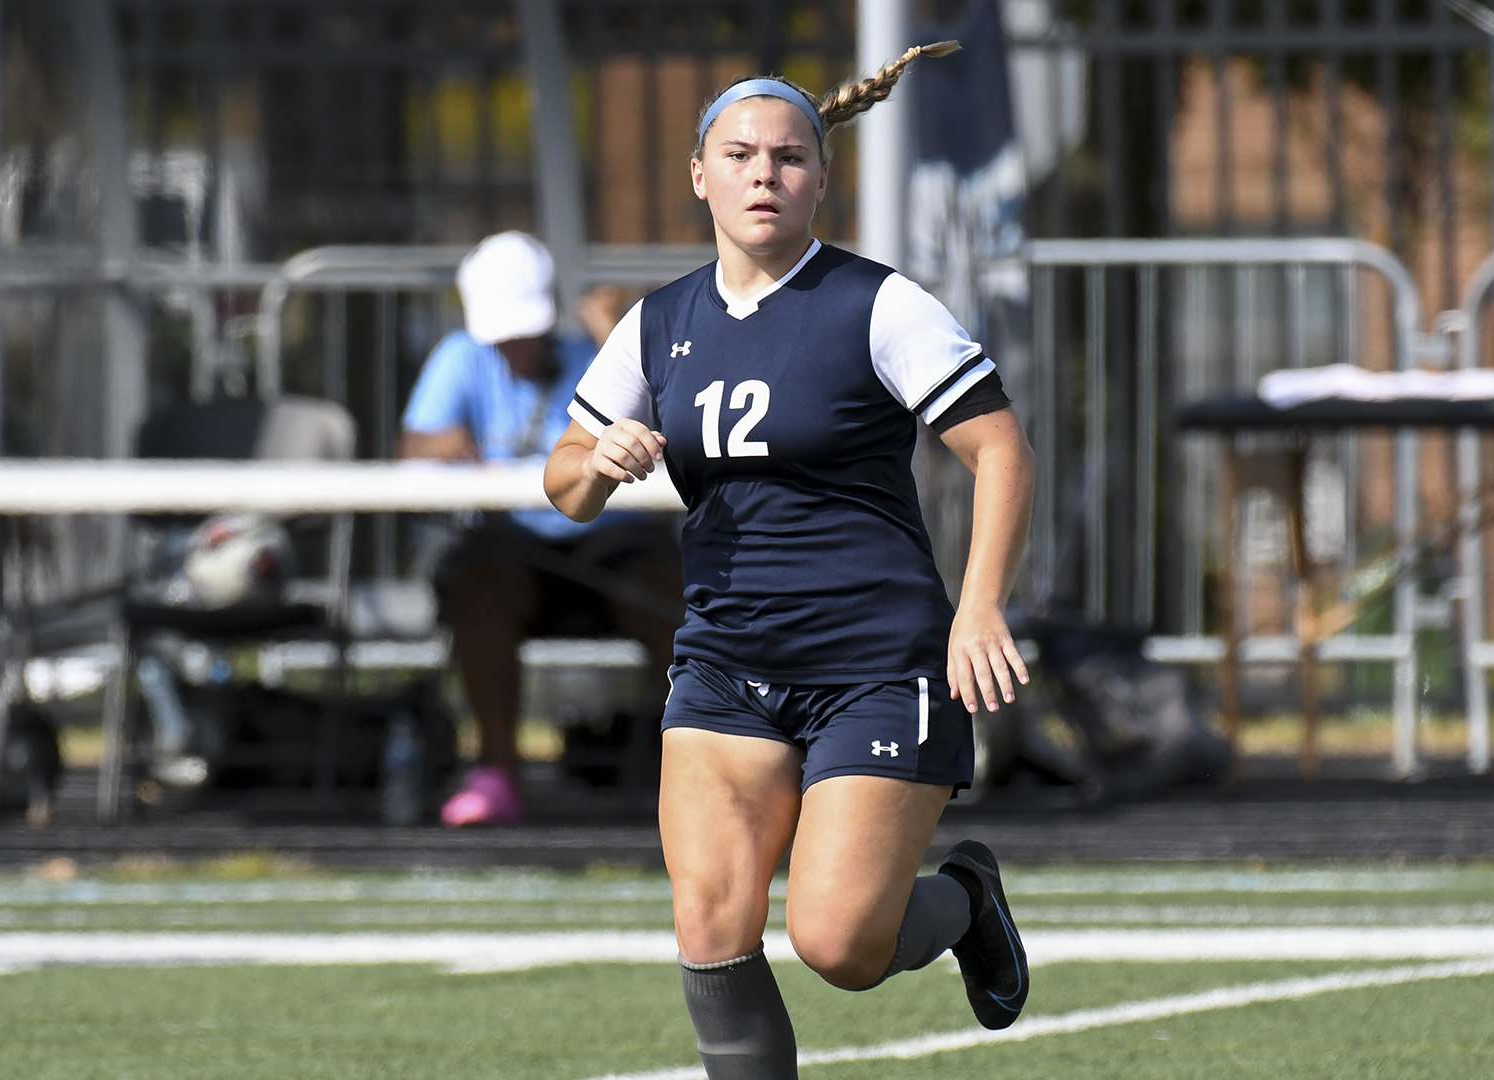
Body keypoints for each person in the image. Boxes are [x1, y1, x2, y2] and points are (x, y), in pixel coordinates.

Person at [544, 43, 1036, 1077]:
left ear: (823, 176)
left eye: (788, 158)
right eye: (739, 155)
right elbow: (563, 477)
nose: (764, 174)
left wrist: (980, 606)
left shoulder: (879, 304)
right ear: (700, 175)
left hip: (874, 662)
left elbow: (1000, 449)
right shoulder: (659, 321)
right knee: (712, 927)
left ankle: (963, 898)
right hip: (724, 662)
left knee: (840, 945)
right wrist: (600, 461)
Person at [401, 232, 681, 827]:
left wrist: (619, 336)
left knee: (678, 602)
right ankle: (498, 771)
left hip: (615, 536)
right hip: (514, 546)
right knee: (477, 594)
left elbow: (675, 416)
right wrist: (440, 444)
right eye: (505, 336)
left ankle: (696, 773)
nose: (518, 346)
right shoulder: (460, 357)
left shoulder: (598, 350)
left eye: (527, 331)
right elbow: (414, 445)